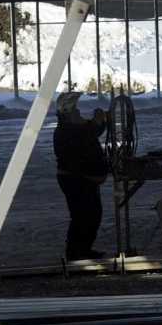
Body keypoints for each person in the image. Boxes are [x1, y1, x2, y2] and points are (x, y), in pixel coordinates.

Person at [53, 92, 111, 262]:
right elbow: (87, 133)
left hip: (82, 179)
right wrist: (97, 121)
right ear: (67, 111)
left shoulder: (73, 127)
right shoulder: (67, 131)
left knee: (92, 214)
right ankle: (75, 252)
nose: (78, 112)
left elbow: (91, 131)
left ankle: (83, 249)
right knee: (82, 216)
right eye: (75, 109)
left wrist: (99, 122)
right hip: (75, 179)